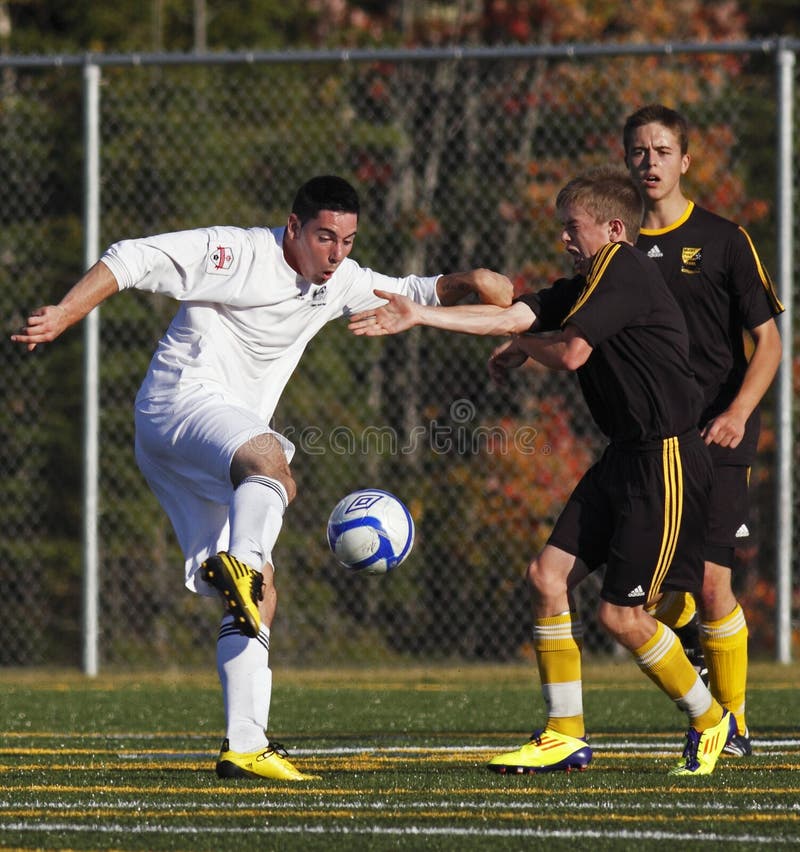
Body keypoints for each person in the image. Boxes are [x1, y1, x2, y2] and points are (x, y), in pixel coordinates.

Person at [11, 174, 512, 782]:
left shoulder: (339, 279)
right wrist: (67, 312)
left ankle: (245, 743)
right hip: (179, 405)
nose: (337, 254)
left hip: (205, 447)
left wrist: (472, 285)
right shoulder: (238, 252)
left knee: (260, 593)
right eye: (325, 237)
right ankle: (243, 565)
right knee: (272, 462)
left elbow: (410, 290)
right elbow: (134, 255)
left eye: (348, 241)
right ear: (294, 227)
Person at [349, 166, 736, 776]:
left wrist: (526, 346)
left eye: (571, 227)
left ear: (612, 229)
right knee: (546, 575)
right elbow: (509, 318)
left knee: (621, 617)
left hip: (665, 459)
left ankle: (711, 721)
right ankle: (564, 733)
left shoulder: (625, 269)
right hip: (624, 457)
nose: (564, 238)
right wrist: (420, 316)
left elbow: (571, 352)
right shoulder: (585, 280)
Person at [623, 105, 784, 757]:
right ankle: (688, 626)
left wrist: (739, 411)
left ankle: (735, 723)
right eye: (638, 151)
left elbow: (768, 342)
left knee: (715, 580)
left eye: (662, 150)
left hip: (720, 436)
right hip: (652, 442)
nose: (650, 162)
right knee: (649, 591)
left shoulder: (723, 240)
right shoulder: (619, 248)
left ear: (685, 160)